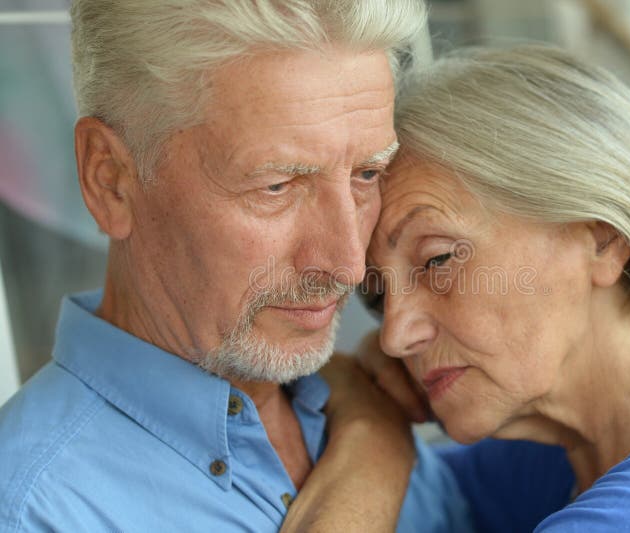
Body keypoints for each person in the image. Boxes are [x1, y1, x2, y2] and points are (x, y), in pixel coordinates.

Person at [0, 2, 478, 531]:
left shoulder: (366, 396)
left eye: (367, 174)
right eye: (276, 186)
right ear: (109, 179)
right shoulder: (36, 511)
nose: (346, 263)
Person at [298, 44, 630, 531]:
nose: (393, 335)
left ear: (604, 238)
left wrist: (371, 427)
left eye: (437, 260)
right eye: (379, 293)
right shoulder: (557, 460)